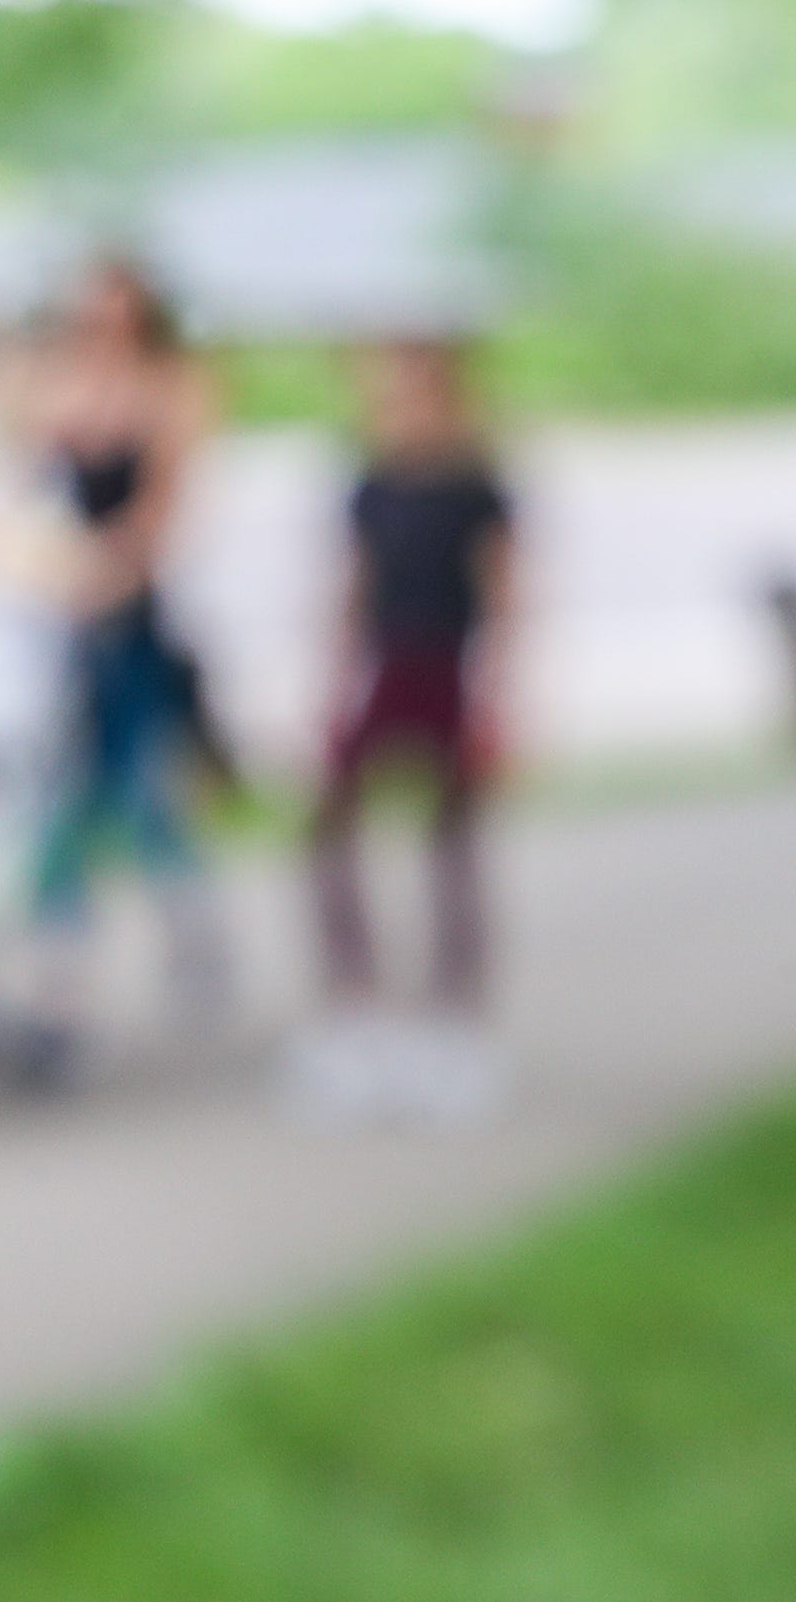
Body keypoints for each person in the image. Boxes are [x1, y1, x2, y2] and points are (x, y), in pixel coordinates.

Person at [10, 259, 229, 1085]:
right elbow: (21, 492)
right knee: (61, 804)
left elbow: (164, 513)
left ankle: (189, 938)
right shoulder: (48, 386)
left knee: (141, 800)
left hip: (129, 624)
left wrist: (104, 570)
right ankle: (60, 987)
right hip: (58, 627)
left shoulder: (172, 390)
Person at [293, 338, 517, 1120]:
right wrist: (332, 682)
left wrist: (502, 696)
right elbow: (353, 588)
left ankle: (456, 1016)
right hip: (385, 665)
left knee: (453, 841)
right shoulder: (371, 488)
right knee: (328, 828)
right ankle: (355, 1004)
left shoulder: (476, 490)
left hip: (448, 665)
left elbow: (505, 592)